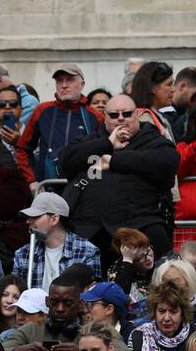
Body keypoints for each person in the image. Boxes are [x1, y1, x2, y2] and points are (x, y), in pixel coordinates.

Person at [58, 92, 180, 259]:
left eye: (127, 114)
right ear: (105, 117)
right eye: (114, 115)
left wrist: (115, 160)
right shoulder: (92, 140)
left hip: (140, 223)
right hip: (90, 228)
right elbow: (66, 161)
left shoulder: (152, 140)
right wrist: (107, 143)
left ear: (137, 115)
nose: (121, 119)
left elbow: (168, 162)